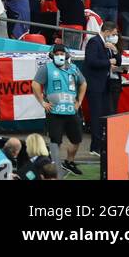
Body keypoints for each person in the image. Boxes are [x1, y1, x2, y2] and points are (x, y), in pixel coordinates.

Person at [32, 45, 87, 175]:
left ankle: (69, 162)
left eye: (62, 53)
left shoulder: (73, 69)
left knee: (77, 139)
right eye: (57, 53)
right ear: (52, 55)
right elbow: (35, 84)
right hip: (55, 112)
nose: (60, 55)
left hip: (71, 112)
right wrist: (42, 102)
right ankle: (55, 168)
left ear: (66, 55)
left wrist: (79, 101)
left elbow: (83, 83)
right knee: (55, 142)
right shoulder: (46, 68)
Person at [82, 21, 121, 157]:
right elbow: (91, 61)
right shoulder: (95, 42)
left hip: (106, 85)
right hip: (95, 85)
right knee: (96, 115)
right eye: (114, 34)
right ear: (108, 31)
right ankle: (95, 147)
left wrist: (115, 51)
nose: (115, 36)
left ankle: (102, 145)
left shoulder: (109, 44)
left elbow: (118, 61)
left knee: (105, 114)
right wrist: (108, 62)